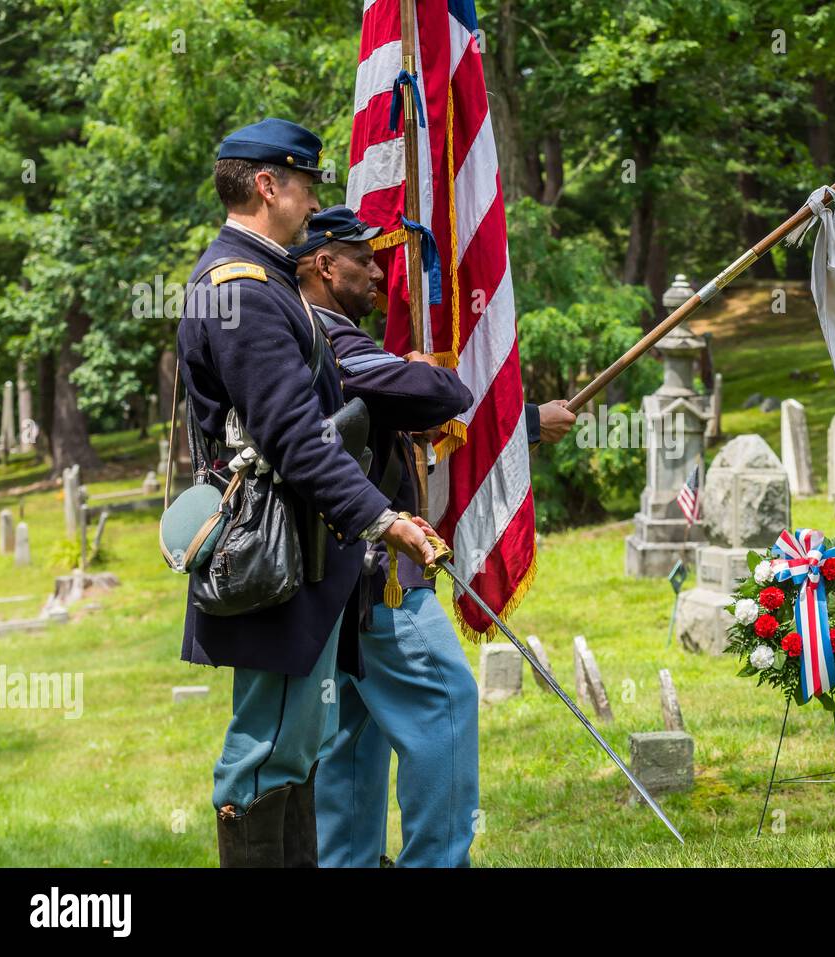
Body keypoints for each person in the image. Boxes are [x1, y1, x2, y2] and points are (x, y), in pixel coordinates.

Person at [176, 120, 437, 867]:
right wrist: (381, 517)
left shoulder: (258, 278)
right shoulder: (245, 289)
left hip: (295, 547)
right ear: (269, 185)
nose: (313, 197)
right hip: (277, 552)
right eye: (308, 182)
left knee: (294, 743)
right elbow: (293, 435)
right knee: (267, 752)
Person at [294, 205, 574, 866]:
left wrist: (523, 421)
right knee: (445, 702)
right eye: (362, 258)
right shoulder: (329, 338)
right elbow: (434, 393)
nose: (378, 269)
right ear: (325, 265)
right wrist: (422, 365)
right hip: (375, 580)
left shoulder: (297, 336)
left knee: (350, 741)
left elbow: (395, 413)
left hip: (330, 585)